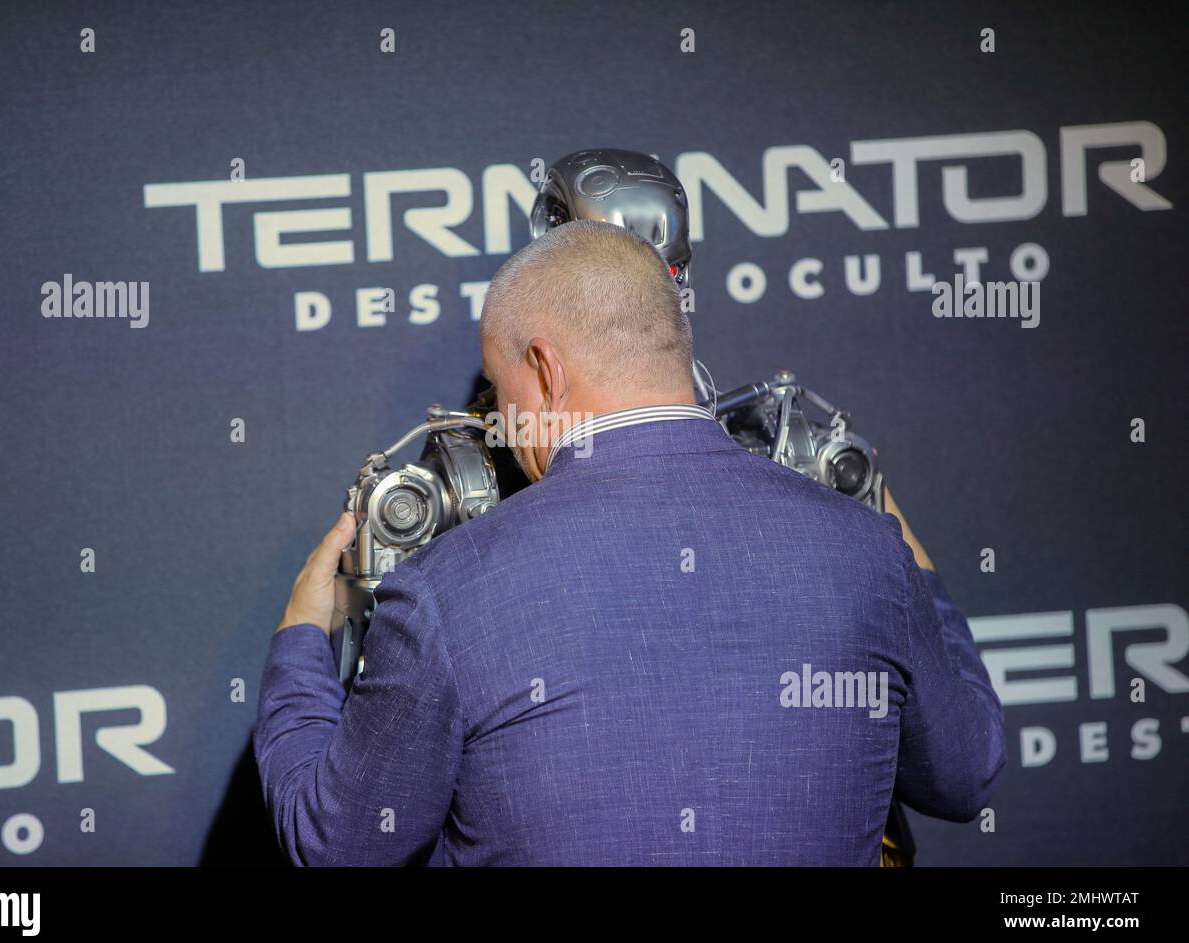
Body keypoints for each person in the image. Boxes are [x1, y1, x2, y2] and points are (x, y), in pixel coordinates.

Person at [254, 219, 1006, 865]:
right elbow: (966, 774)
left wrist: (300, 641)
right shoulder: (868, 553)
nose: (500, 428)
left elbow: (342, 845)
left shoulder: (448, 590)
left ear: (544, 370)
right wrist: (905, 551)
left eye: (498, 390)